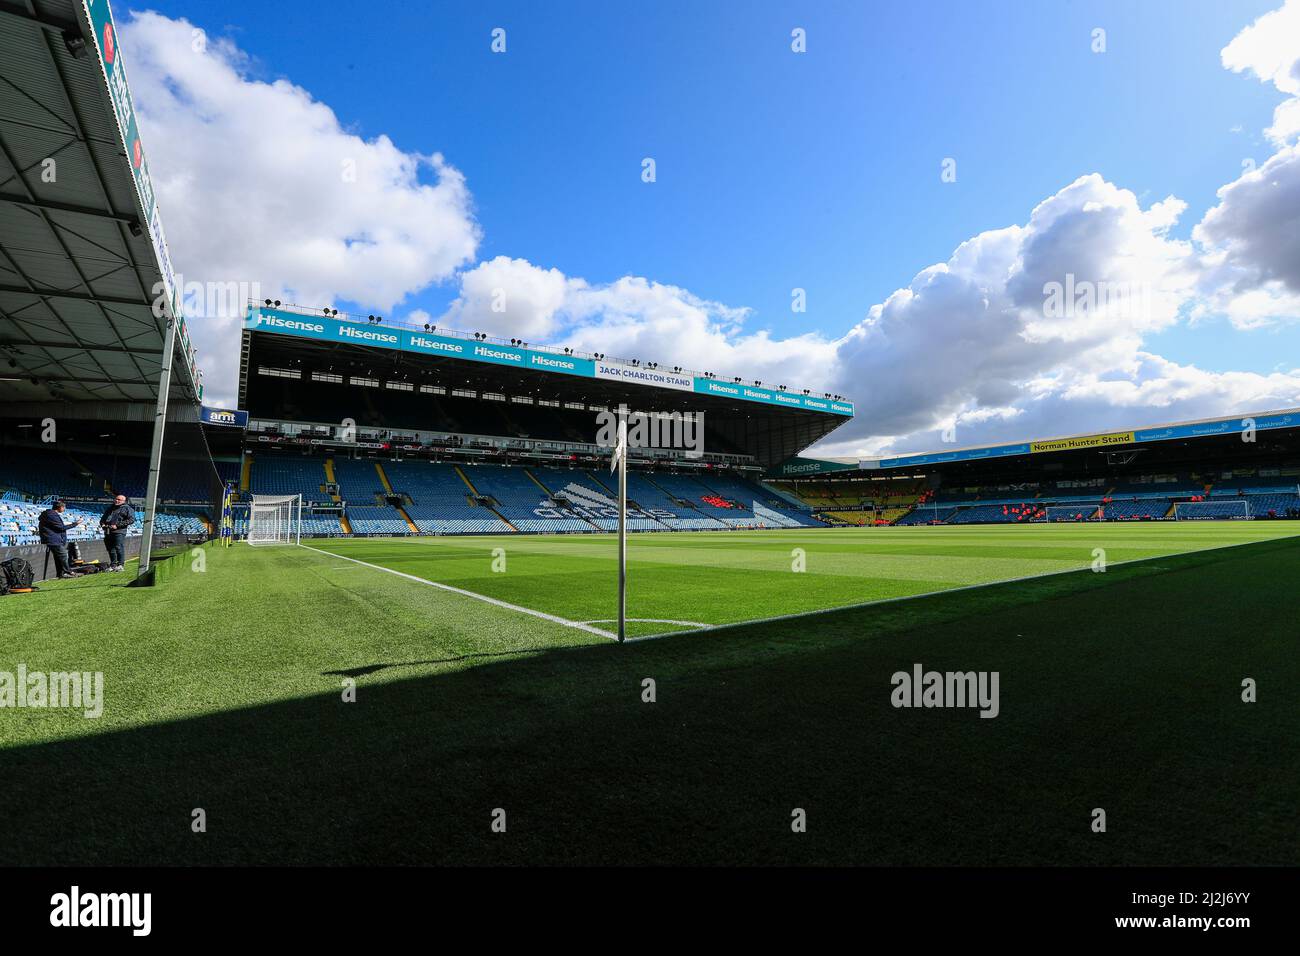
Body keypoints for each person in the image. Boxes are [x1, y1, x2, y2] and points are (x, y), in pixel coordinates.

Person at [38, 500, 81, 580]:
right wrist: (75, 524)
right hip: (53, 540)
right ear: (60, 507)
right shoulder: (52, 515)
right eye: (64, 507)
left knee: (58, 558)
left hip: (53, 539)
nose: (64, 509)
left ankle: (61, 574)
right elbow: (61, 528)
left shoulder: (51, 514)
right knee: (64, 555)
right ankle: (68, 572)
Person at [100, 493, 135, 572]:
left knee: (118, 547)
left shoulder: (127, 508)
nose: (116, 500)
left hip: (119, 531)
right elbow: (103, 519)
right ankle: (113, 565)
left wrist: (117, 525)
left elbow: (131, 520)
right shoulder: (110, 508)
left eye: (119, 499)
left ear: (124, 501)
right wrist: (102, 524)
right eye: (116, 499)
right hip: (108, 531)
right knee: (110, 548)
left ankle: (120, 565)